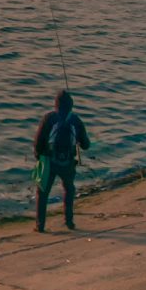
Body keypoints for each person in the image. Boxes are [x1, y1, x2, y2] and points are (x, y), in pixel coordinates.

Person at [32, 89, 90, 231]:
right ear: (71, 105)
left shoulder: (49, 118)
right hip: (68, 162)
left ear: (56, 104)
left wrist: (38, 156)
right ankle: (69, 222)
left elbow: (38, 142)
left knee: (42, 192)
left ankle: (40, 226)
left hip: (50, 162)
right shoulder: (75, 120)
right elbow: (86, 145)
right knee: (69, 190)